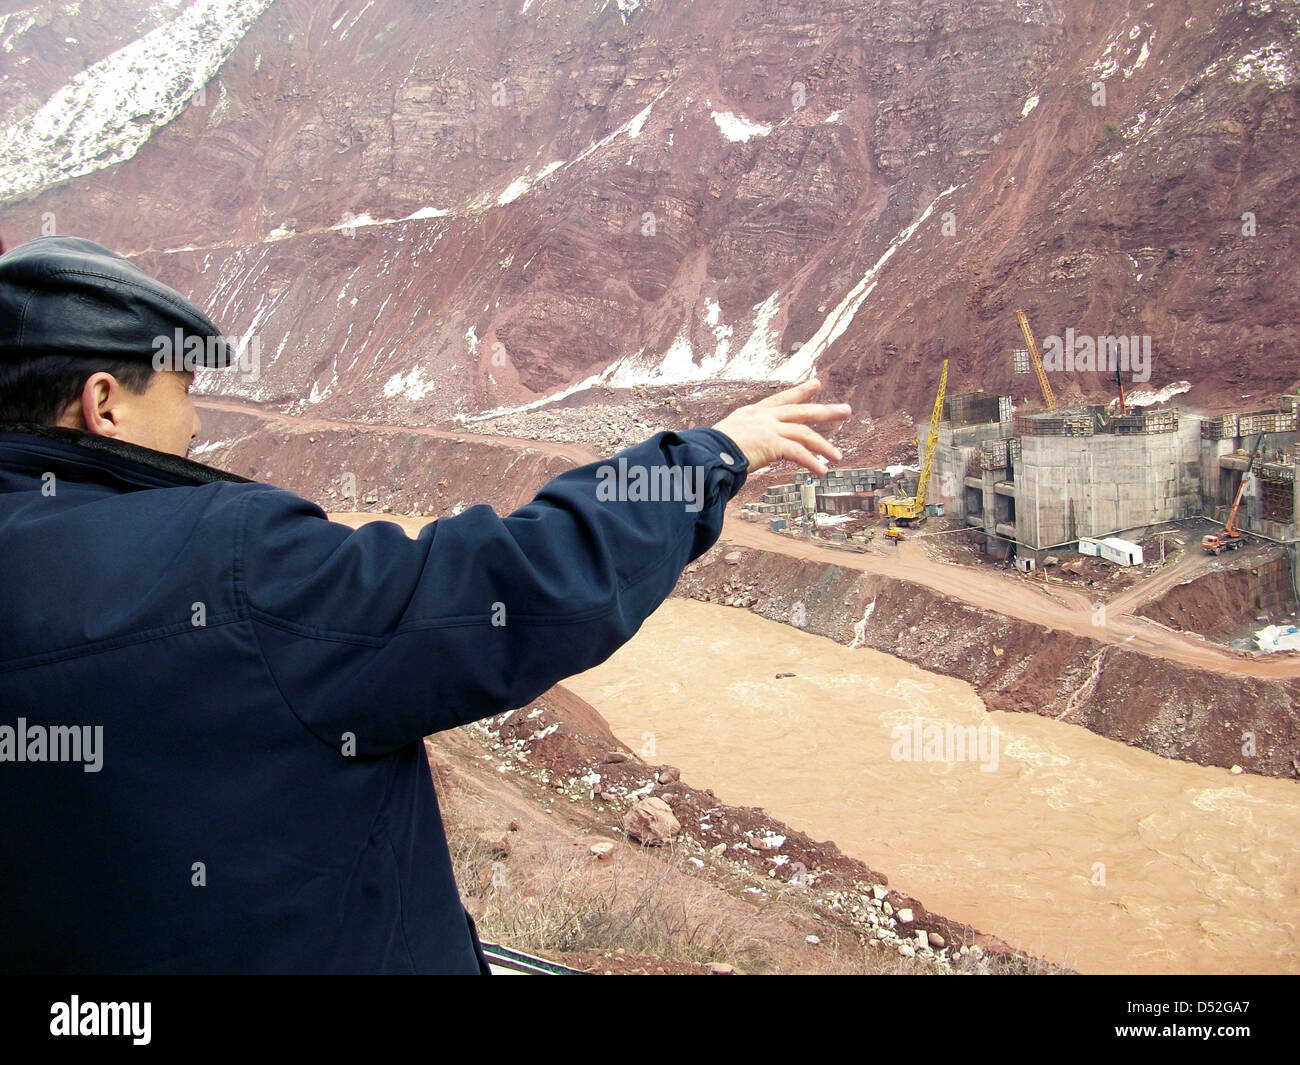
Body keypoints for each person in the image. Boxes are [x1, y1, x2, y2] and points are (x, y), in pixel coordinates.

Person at [0, 235, 850, 974]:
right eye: (180, 388)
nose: (193, 425)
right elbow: (507, 586)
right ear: (105, 402)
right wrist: (709, 455)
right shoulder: (228, 565)